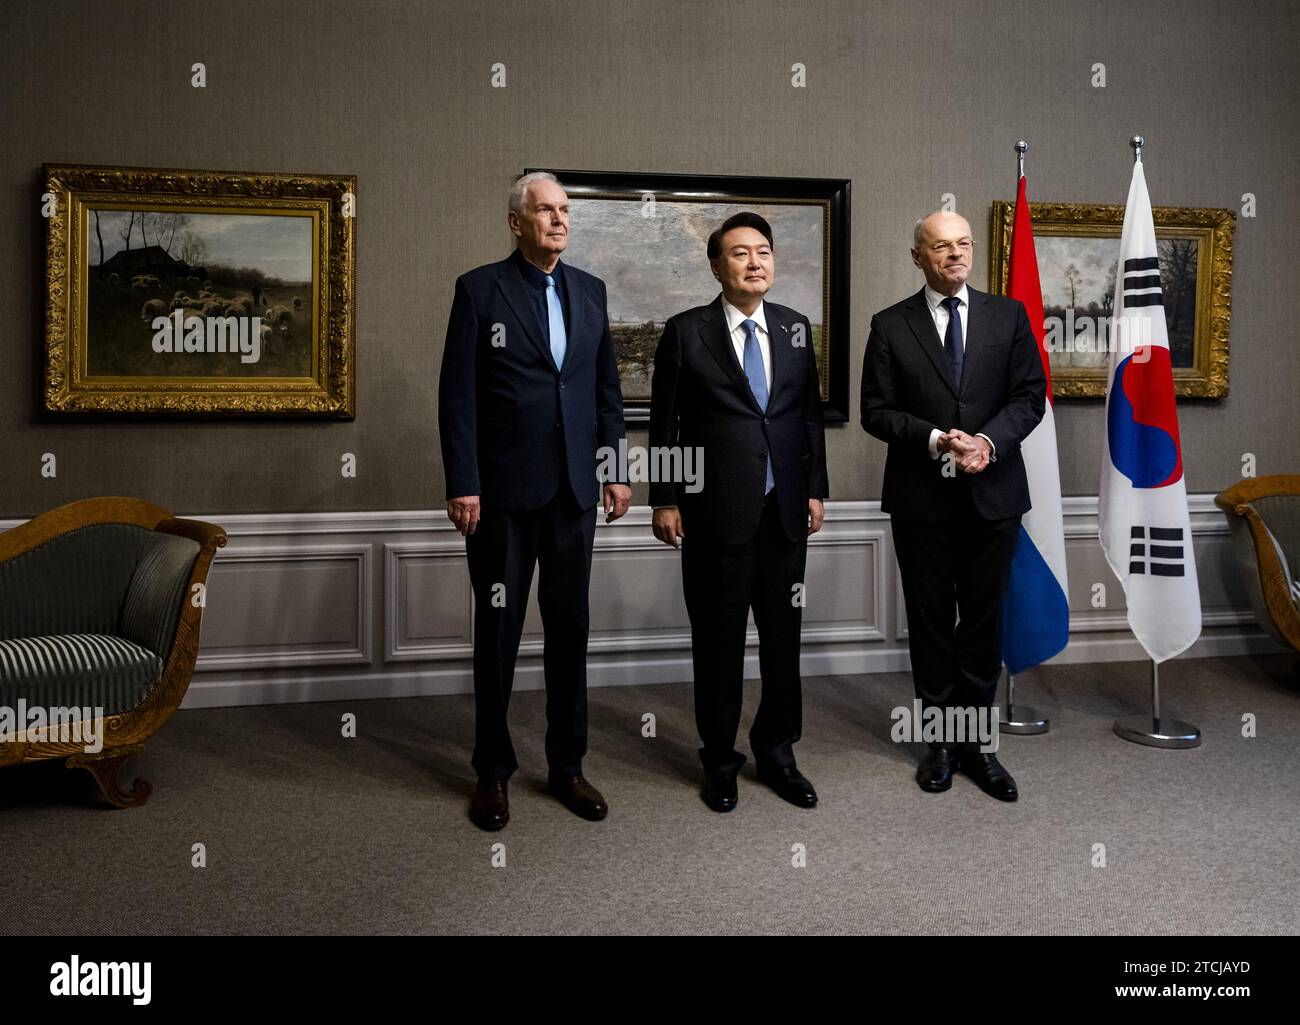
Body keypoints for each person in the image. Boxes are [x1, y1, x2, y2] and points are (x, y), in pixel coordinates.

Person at [438, 171, 631, 830]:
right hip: (500, 497)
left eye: (565, 210)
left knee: (569, 632)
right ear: (516, 222)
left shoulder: (590, 290)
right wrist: (463, 481)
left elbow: (606, 391)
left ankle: (567, 765)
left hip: (577, 493)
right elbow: (457, 396)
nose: (559, 220)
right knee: (498, 634)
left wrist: (615, 469)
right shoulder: (478, 289)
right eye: (544, 210)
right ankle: (492, 773)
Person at [860, 210, 1045, 801]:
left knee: (983, 627)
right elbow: (876, 411)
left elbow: (1029, 396)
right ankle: (939, 744)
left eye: (963, 244)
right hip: (923, 503)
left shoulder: (1008, 316)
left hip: (993, 498)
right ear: (918, 256)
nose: (956, 254)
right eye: (942, 246)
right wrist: (937, 439)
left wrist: (986, 443)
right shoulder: (890, 325)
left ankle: (978, 747)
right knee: (932, 625)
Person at [649, 212, 829, 812]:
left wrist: (814, 489)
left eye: (763, 252)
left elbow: (807, 419)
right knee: (719, 645)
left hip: (784, 513)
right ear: (716, 266)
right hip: (713, 515)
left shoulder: (797, 329)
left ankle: (778, 753)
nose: (755, 263)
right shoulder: (685, 331)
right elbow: (665, 422)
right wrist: (666, 499)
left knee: (784, 644)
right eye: (740, 254)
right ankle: (720, 761)